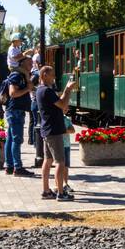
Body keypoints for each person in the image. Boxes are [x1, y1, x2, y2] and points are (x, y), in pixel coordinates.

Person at [35, 65, 78, 201]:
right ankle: (61, 193)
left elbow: (58, 105)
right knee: (60, 161)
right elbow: (63, 105)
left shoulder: (40, 90)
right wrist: (68, 89)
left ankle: (46, 190)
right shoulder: (47, 91)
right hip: (54, 131)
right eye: (52, 74)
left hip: (47, 129)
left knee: (48, 160)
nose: (54, 77)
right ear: (44, 75)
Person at [0, 56, 34, 177]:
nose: (32, 63)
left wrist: (27, 77)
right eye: (29, 62)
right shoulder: (16, 76)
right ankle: (17, 167)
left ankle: (9, 166)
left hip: (15, 111)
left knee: (10, 139)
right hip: (15, 111)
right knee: (17, 139)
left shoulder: (22, 75)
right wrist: (27, 89)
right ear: (22, 63)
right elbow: (13, 93)